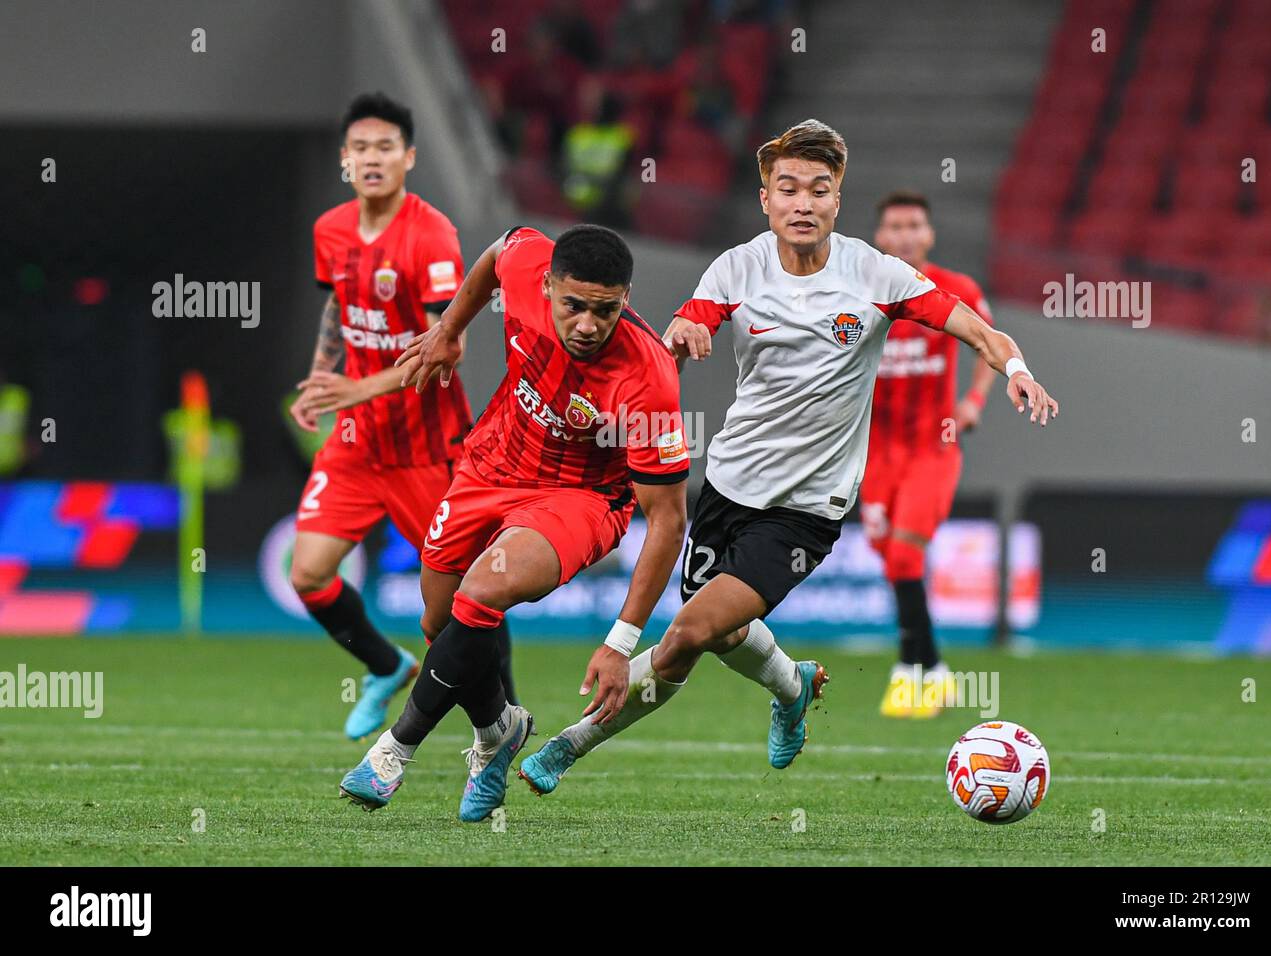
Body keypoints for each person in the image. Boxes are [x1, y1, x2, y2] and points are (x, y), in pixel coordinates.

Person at [520, 119, 1058, 796]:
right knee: (720, 633)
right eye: (788, 188)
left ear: (837, 201)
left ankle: (569, 747)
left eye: (819, 190)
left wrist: (1015, 367)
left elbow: (976, 327)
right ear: (766, 199)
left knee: (689, 632)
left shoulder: (877, 274)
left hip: (806, 509)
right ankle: (792, 685)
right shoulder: (737, 269)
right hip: (728, 486)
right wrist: (683, 332)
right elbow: (685, 332)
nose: (803, 203)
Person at [338, 224, 690, 822]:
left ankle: (394, 750)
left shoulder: (648, 379)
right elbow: (502, 248)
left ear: (624, 301)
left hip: (578, 498)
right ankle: (499, 728)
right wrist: (449, 329)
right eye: (573, 305)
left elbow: (668, 520)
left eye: (604, 311)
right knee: (439, 619)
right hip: (489, 464)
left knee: (483, 591)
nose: (586, 324)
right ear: (548, 285)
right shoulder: (528, 266)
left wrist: (619, 642)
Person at [286, 91, 515, 741]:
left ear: (409, 157)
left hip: (429, 448)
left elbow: (449, 347)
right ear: (344, 160)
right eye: (360, 148)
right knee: (307, 574)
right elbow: (339, 307)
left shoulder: (432, 234)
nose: (372, 158)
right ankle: (386, 668)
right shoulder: (330, 231)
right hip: (358, 447)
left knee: (465, 604)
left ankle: (501, 723)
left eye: (386, 147)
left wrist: (356, 392)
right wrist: (322, 377)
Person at [866, 190, 998, 718]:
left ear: (929, 235)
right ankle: (937, 671)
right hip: (875, 456)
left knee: (904, 557)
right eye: (894, 225)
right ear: (880, 237)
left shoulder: (956, 288)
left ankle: (907, 669)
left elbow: (988, 340)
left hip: (932, 450)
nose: (903, 234)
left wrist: (973, 401)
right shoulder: (859, 290)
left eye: (913, 225)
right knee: (894, 563)